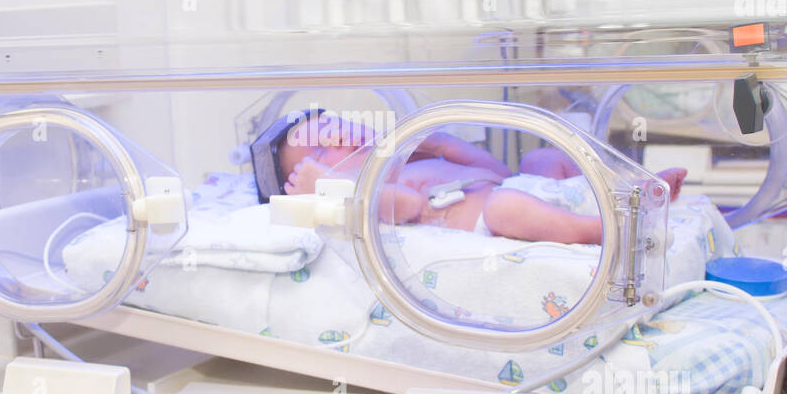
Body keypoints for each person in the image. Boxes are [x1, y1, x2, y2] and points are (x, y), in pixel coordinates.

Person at [251, 108, 685, 245]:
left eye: (331, 126)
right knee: (504, 207)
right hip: (497, 216)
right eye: (323, 151)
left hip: (518, 189)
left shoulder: (411, 158)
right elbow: (410, 207)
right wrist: (326, 194)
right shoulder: (377, 190)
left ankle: (634, 187)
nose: (339, 135)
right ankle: (607, 231)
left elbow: (498, 174)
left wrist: (445, 146)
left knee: (539, 160)